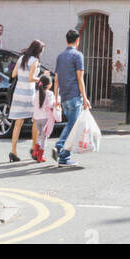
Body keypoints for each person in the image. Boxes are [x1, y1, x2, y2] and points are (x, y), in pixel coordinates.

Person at [53, 28, 90, 167]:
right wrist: (85, 99)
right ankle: (61, 150)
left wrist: (57, 97)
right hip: (75, 96)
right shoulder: (78, 55)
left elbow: (56, 79)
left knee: (70, 125)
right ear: (78, 40)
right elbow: (80, 79)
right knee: (73, 126)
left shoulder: (60, 56)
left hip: (64, 97)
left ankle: (62, 152)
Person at [8, 39, 44, 162]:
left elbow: (13, 75)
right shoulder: (35, 61)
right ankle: (34, 149)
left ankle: (13, 151)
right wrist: (40, 78)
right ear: (38, 50)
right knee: (35, 120)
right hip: (28, 94)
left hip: (18, 93)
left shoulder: (21, 58)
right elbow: (31, 78)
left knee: (18, 123)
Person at [31, 72, 56, 163]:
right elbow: (50, 105)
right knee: (44, 137)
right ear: (49, 85)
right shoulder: (50, 94)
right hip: (45, 118)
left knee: (40, 134)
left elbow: (33, 102)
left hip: (37, 118)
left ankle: (35, 151)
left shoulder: (37, 93)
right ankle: (40, 155)